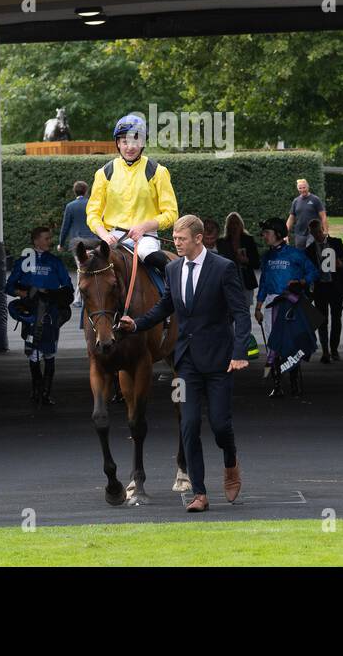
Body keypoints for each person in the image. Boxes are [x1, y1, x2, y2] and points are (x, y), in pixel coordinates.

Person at [119, 214, 251, 513]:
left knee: (220, 426)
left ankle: (230, 461)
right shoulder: (174, 269)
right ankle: (200, 494)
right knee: (189, 425)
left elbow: (241, 313)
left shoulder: (223, 268)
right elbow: (165, 305)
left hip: (219, 361)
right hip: (186, 363)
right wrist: (136, 325)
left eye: (181, 239)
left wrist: (240, 352)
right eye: (175, 238)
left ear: (198, 239)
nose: (176, 243)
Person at [85, 113, 178, 277]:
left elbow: (171, 214)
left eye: (135, 141)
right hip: (112, 237)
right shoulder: (104, 173)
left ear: (142, 143)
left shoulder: (158, 171)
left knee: (147, 255)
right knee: (90, 266)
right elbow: (93, 214)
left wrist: (144, 227)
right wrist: (105, 235)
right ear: (118, 143)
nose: (130, 147)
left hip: (145, 238)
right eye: (125, 141)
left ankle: (174, 290)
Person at [5, 226, 74, 406]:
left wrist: (52, 296)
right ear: (36, 241)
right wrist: (25, 294)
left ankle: (46, 393)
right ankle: (36, 390)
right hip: (31, 314)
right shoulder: (23, 262)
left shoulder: (55, 262)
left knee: (50, 353)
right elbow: (9, 286)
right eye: (46, 238)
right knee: (33, 353)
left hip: (50, 315)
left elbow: (68, 290)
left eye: (50, 238)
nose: (50, 241)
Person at [256, 217, 318, 397]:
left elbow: (314, 272)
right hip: (270, 304)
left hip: (291, 303)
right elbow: (264, 283)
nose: (263, 236)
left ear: (278, 234)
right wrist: (258, 306)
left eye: (266, 233)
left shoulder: (295, 254)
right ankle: (277, 384)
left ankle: (294, 382)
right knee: (272, 345)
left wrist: (300, 281)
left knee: (292, 343)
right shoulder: (266, 257)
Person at [307, 217, 343, 363]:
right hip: (320, 289)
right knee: (322, 321)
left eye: (318, 232)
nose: (317, 235)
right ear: (311, 234)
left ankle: (334, 349)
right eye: (314, 233)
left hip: (335, 287)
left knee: (336, 319)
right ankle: (325, 351)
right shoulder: (309, 250)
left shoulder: (336, 243)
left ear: (322, 229)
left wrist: (341, 264)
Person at [59, 180, 94, 307]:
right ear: (86, 191)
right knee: (90, 269)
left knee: (82, 269)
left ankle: (78, 299)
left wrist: (61, 244)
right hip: (93, 241)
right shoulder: (92, 204)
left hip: (77, 243)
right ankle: (86, 296)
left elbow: (65, 227)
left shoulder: (70, 206)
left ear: (75, 191)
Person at [217, 212, 260, 309]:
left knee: (244, 309)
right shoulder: (221, 242)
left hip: (246, 280)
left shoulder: (248, 240)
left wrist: (246, 260)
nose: (234, 226)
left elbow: (256, 263)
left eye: (236, 223)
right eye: (231, 223)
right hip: (228, 279)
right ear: (227, 226)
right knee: (228, 310)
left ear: (241, 224)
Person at [286, 178, 327, 251]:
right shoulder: (296, 201)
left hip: (313, 232)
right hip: (299, 233)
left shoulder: (315, 199)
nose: (302, 190)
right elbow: (291, 218)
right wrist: (285, 233)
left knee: (310, 250)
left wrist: (325, 230)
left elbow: (323, 216)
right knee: (300, 254)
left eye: (304, 187)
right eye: (300, 188)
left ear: (308, 187)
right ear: (297, 189)